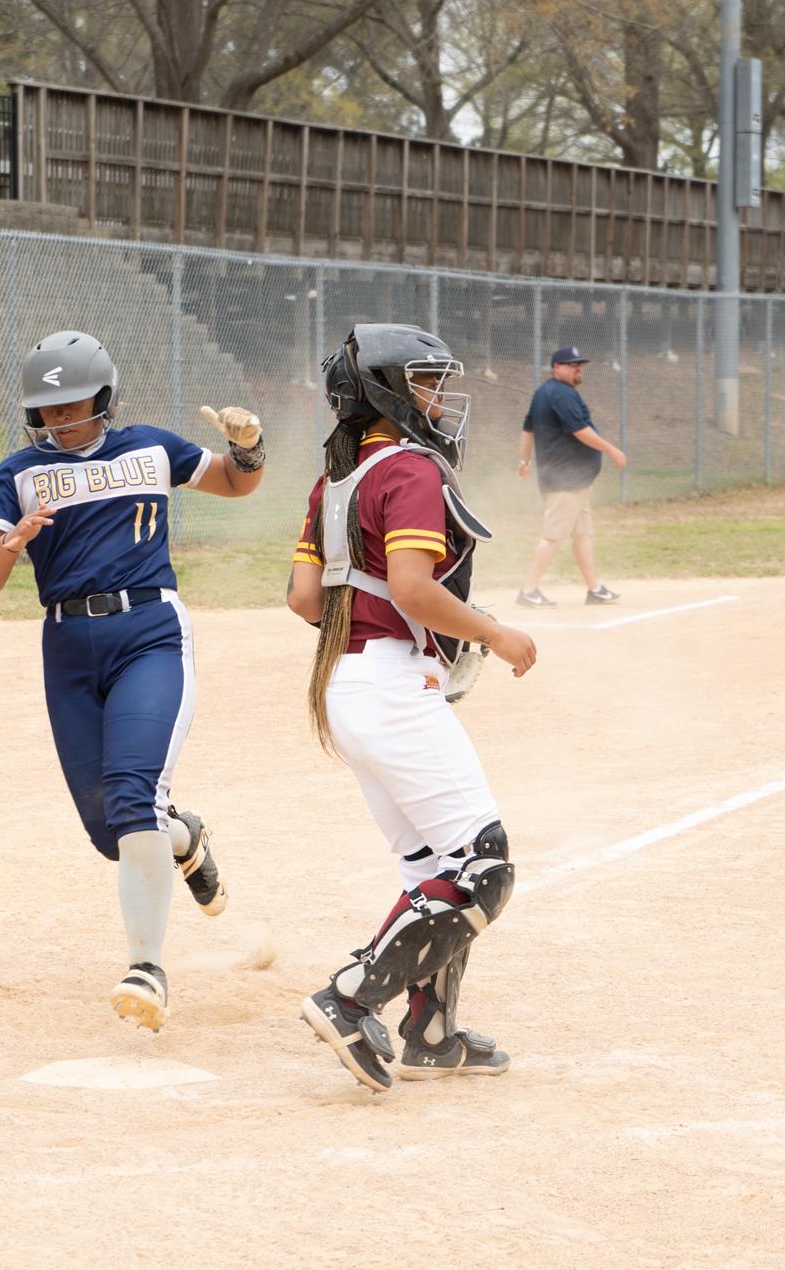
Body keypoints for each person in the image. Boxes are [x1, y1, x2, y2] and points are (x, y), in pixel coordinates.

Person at [0, 329, 266, 1032]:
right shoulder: (18, 475)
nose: (62, 419)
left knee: (133, 795)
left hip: (149, 634)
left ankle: (146, 967)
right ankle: (185, 838)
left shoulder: (150, 447)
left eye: (75, 404)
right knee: (115, 832)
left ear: (104, 397)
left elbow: (234, 480)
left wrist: (249, 447)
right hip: (68, 647)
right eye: (48, 409)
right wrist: (8, 547)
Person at [285, 323, 538, 1094]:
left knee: (434, 863)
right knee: (483, 868)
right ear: (388, 392)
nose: (438, 397)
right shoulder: (411, 473)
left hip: (351, 687)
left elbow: (304, 600)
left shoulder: (334, 482)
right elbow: (412, 587)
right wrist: (494, 632)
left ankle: (432, 1030)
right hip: (392, 688)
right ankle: (351, 996)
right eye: (425, 383)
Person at [516, 344, 628, 608]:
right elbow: (579, 430)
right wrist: (612, 450)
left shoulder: (545, 392)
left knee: (582, 535)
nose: (578, 369)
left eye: (580, 365)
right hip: (566, 479)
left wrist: (524, 460)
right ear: (556, 368)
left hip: (572, 480)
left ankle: (594, 589)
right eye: (571, 364)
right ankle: (529, 590)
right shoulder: (562, 394)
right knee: (553, 536)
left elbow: (527, 429)